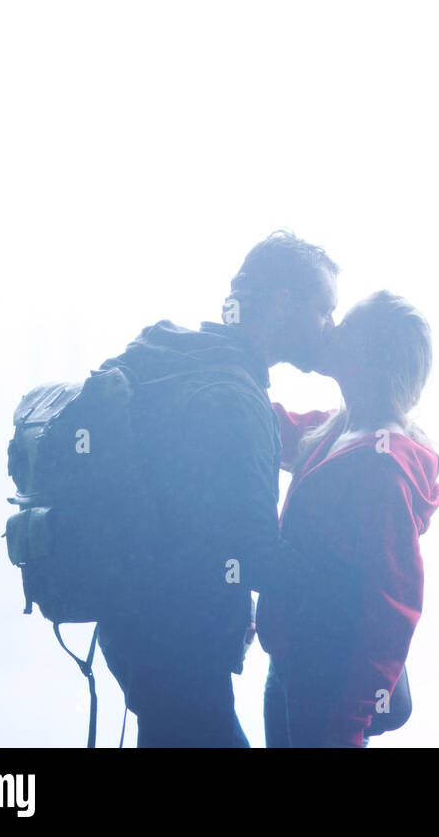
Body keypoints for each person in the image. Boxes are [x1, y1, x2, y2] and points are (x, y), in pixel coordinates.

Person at [96, 230, 339, 747]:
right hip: (182, 647)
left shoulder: (171, 355)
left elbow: (187, 509)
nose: (329, 327)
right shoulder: (237, 399)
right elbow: (252, 553)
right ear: (282, 302)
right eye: (323, 309)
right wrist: (346, 585)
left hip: (130, 625)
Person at [258, 291, 439, 747]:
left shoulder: (383, 468)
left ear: (374, 356)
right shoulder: (341, 426)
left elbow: (392, 610)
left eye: (347, 325)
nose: (331, 328)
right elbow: (264, 427)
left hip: (331, 697)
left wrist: (348, 723)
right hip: (290, 666)